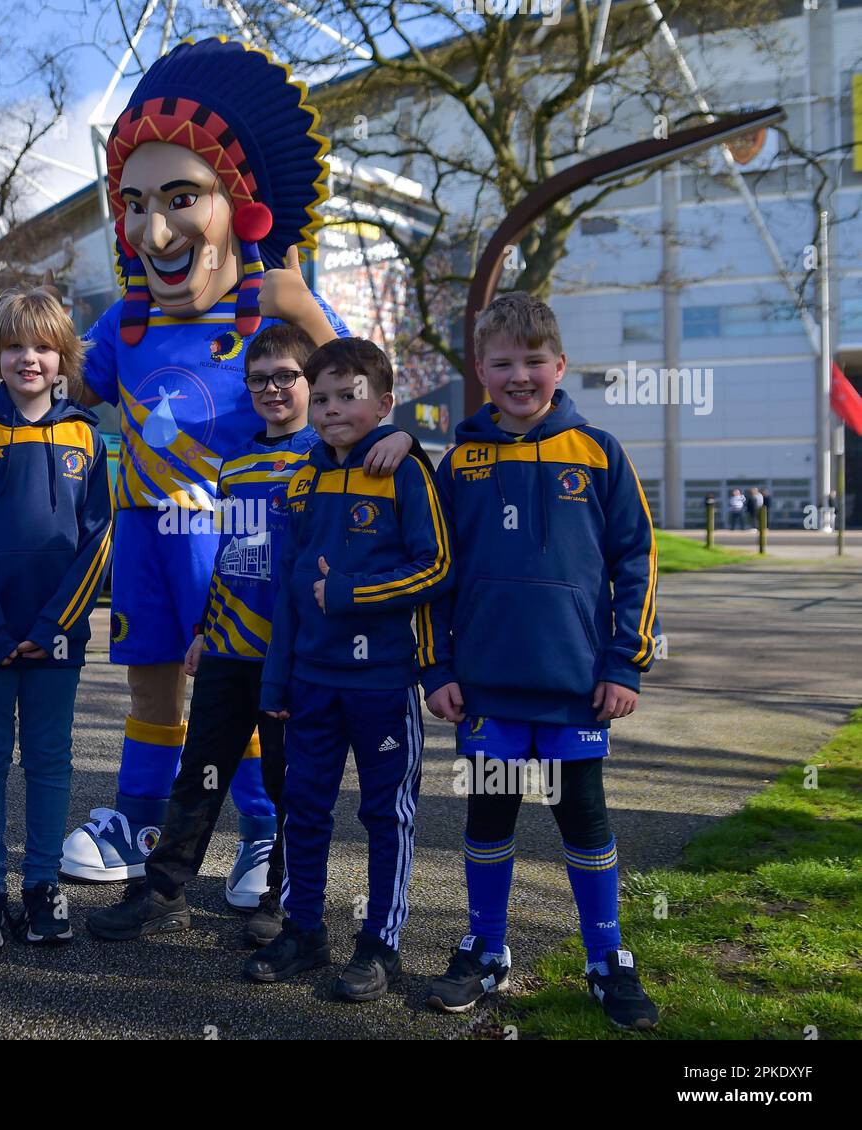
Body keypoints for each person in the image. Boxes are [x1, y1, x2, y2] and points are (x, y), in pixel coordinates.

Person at [60, 38, 416, 899]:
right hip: (146, 534)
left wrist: (392, 434)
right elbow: (68, 386)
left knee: (249, 691)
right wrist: (19, 347)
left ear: (240, 202)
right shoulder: (122, 325)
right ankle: (142, 816)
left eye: (182, 199)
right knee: (152, 686)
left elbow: (353, 385)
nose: (155, 232)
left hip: (244, 534)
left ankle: (261, 833)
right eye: (136, 204)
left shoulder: (274, 303)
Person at [420, 292, 661, 1030]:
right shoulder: (459, 462)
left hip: (574, 692)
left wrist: (625, 664)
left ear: (559, 366)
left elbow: (637, 561)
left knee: (582, 819)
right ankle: (486, 948)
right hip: (487, 691)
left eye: (534, 361)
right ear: (480, 372)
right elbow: (435, 573)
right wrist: (438, 669)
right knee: (489, 817)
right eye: (503, 363)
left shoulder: (598, 453)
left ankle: (606, 958)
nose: (520, 375)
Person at [87, 323, 328, 948]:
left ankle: (284, 899)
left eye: (286, 378)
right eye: (259, 379)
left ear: (309, 382)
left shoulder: (325, 460)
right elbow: (226, 555)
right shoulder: (237, 462)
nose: (272, 389)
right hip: (226, 647)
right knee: (199, 775)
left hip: (291, 656)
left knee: (287, 784)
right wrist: (200, 630)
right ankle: (163, 893)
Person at [243, 337, 454, 1002]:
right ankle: (304, 929)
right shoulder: (303, 477)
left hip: (383, 684)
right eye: (324, 396)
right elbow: (287, 587)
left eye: (349, 396)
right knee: (302, 808)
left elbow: (436, 567)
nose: (332, 409)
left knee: (386, 812)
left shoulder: (402, 471)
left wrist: (352, 594)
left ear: (385, 403)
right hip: (310, 682)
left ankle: (380, 945)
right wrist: (276, 679)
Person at [0, 285, 112, 951]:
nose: (28, 358)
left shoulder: (88, 440)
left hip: (54, 639)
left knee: (47, 757)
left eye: (42, 346)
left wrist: (52, 627)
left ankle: (41, 886)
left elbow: (99, 543)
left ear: (63, 357)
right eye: (14, 346)